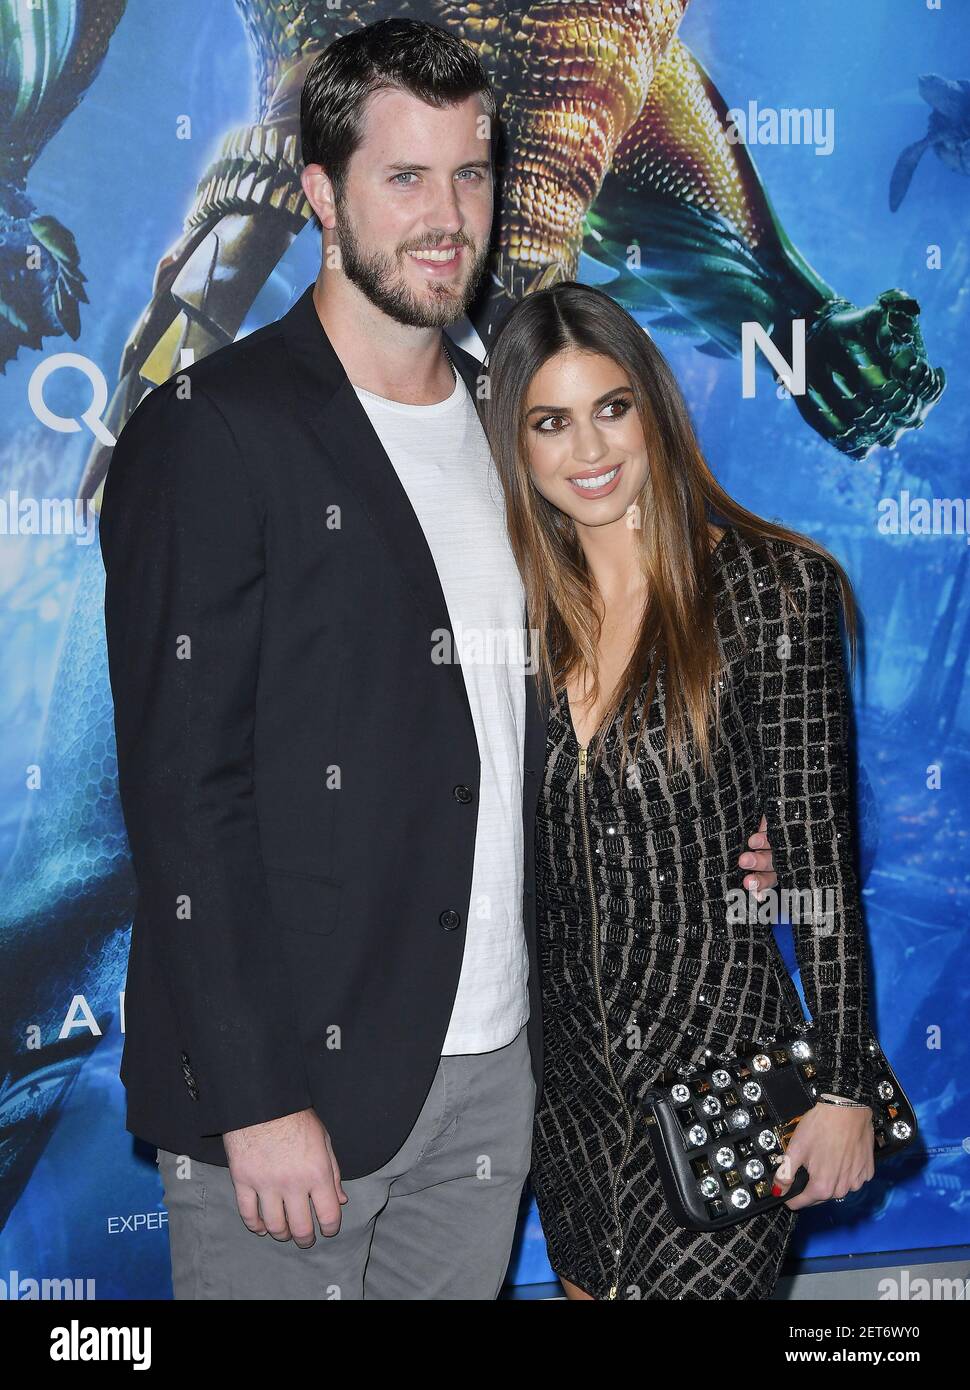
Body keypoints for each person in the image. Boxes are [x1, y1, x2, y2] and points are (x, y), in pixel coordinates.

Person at [98, 19, 777, 1300]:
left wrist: (722, 831)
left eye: (469, 173)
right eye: (403, 177)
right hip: (293, 1089)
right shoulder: (213, 428)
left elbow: (566, 716)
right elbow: (184, 796)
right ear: (319, 192)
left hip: (495, 1072)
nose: (446, 215)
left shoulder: (507, 424)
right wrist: (254, 1099)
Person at [481, 280, 881, 1301]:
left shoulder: (769, 591)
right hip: (570, 1103)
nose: (589, 449)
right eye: (550, 421)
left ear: (652, 409)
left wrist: (841, 1087)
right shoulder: (516, 621)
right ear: (517, 446)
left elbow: (818, 870)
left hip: (722, 1085)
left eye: (610, 407)